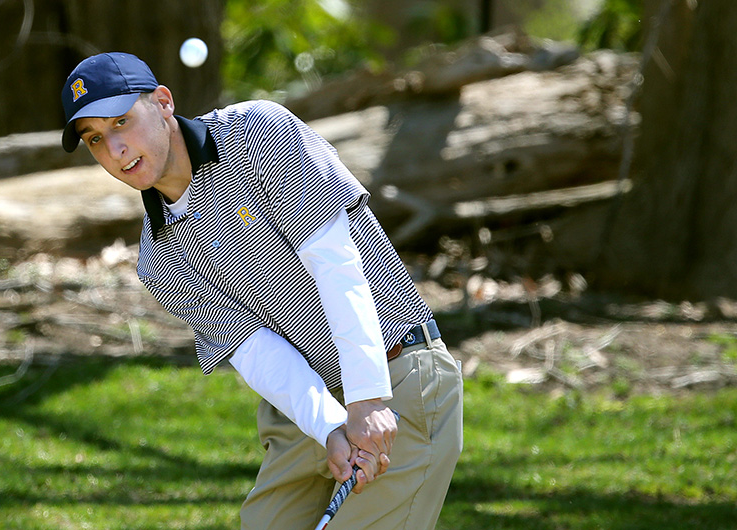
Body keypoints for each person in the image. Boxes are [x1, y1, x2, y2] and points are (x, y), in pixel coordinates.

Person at [60, 51, 463, 530]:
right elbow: (254, 349)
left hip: (395, 376)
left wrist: (366, 400)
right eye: (95, 138)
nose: (115, 148)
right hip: (302, 416)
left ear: (164, 103)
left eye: (121, 121)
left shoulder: (256, 134)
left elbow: (336, 266)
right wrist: (330, 428)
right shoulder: (156, 257)